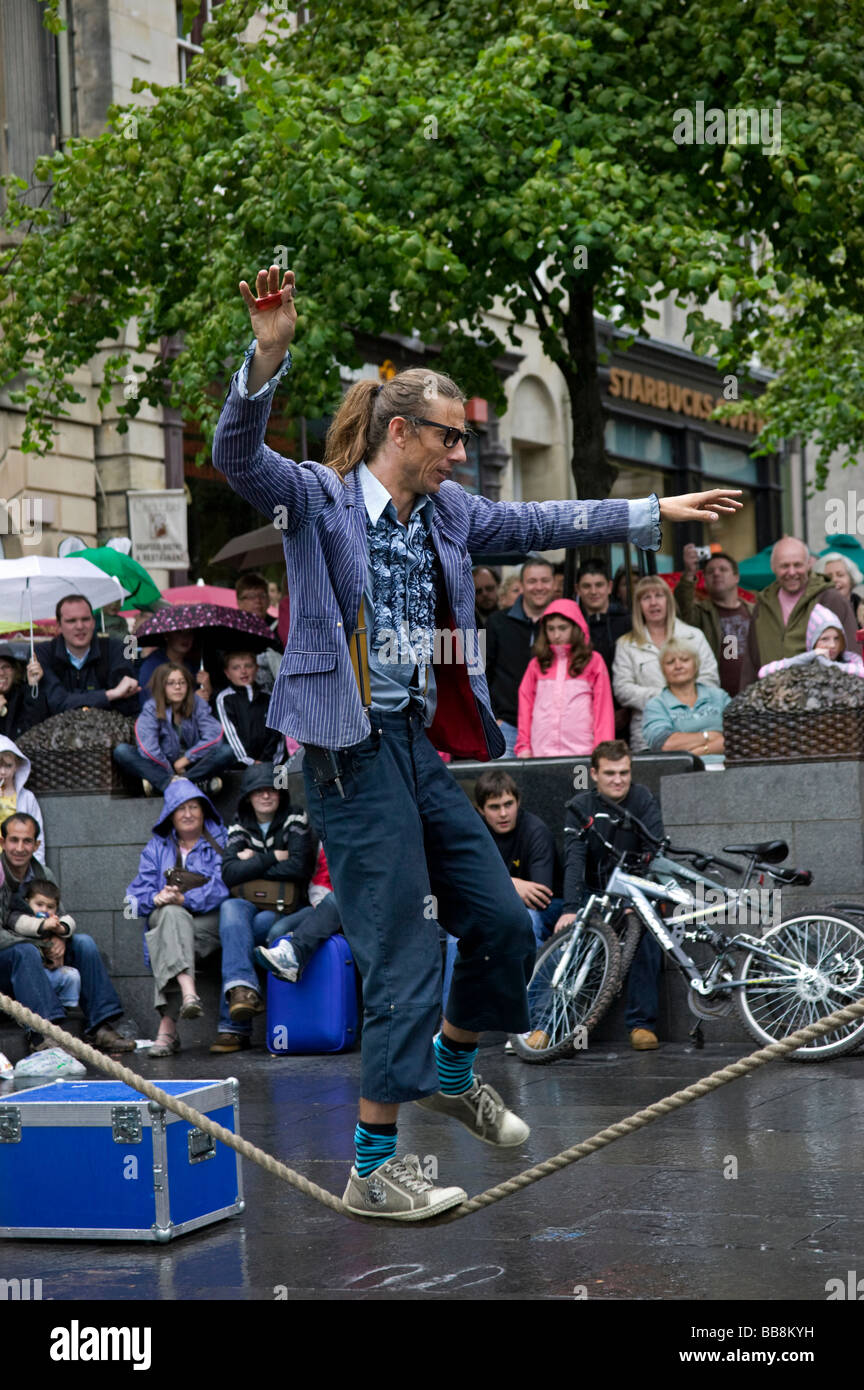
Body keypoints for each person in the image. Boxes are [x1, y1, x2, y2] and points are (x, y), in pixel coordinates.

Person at [212, 260, 741, 1220]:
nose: (462, 454)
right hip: (342, 753)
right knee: (405, 954)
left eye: (467, 438)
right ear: (399, 431)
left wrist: (649, 514)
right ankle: (372, 1166)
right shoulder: (318, 498)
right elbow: (238, 457)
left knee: (500, 923)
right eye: (450, 438)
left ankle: (453, 1068)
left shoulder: (451, 512)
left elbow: (540, 516)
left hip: (414, 746)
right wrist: (270, 353)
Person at [556, 741, 665, 1050]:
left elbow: (654, 853)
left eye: (624, 773)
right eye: (610, 773)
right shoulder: (581, 805)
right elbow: (574, 860)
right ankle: (549, 1024)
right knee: (564, 933)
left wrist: (636, 900)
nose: (618, 780)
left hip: (635, 894)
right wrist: (570, 908)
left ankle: (641, 1026)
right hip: (593, 894)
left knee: (647, 934)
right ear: (594, 774)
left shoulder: (643, 799)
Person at [0, 812, 135, 1052]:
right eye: (14, 840)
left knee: (84, 943)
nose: (20, 848)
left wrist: (59, 936)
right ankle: (43, 1033)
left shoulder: (43, 874)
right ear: (3, 842)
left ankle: (101, 1025)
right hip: (9, 959)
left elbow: (60, 917)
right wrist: (42, 946)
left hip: (38, 950)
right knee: (25, 952)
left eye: (27, 841)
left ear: (37, 844)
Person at [212, 762, 316, 1053]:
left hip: (285, 909)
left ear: (281, 794)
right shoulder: (239, 822)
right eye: (259, 792)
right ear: (248, 796)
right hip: (246, 905)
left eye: (271, 790)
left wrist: (254, 860)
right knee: (231, 910)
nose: (266, 796)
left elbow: (300, 866)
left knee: (243, 932)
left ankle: (233, 1028)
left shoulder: (295, 816)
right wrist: (275, 856)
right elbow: (230, 873)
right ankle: (243, 994)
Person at [124, 779, 229, 1056]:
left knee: (171, 927)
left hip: (211, 923)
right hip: (173, 923)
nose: (188, 814)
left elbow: (226, 884)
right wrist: (155, 898)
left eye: (194, 806)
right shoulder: (156, 848)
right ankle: (188, 993)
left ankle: (168, 1028)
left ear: (204, 811)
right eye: (180, 808)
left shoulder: (221, 839)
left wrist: (187, 899)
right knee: (171, 915)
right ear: (170, 814)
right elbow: (130, 903)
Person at [613, 576, 719, 752]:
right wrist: (666, 698)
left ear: (669, 601)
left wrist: (680, 698)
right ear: (638, 605)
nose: (653, 603)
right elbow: (622, 689)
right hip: (647, 735)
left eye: (659, 595)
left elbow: (710, 679)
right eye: (646, 598)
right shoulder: (625, 644)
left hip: (695, 733)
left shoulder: (694, 636)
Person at [740, 536, 858, 689]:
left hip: (819, 703)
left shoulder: (830, 598)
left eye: (797, 565)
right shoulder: (762, 605)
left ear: (809, 564)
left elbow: (852, 656)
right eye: (784, 566)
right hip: (770, 703)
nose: (792, 572)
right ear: (773, 567)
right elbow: (751, 661)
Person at [473, 768, 562, 949]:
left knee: (527, 919)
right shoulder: (474, 833)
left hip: (547, 908)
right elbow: (462, 884)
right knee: (457, 929)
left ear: (518, 802)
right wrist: (511, 884)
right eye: (494, 807)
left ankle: (529, 978)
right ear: (481, 810)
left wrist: (488, 885)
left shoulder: (536, 831)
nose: (504, 813)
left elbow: (539, 897)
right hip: (495, 904)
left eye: (508, 804)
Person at [114, 663, 235, 796]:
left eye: (182, 683)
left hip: (192, 765)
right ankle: (189, 784)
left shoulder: (197, 703)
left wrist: (186, 759)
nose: (177, 687)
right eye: (171, 683)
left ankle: (164, 785)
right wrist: (170, 772)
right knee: (122, 751)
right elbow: (148, 748)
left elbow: (214, 736)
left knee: (226, 752)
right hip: (161, 766)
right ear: (161, 686)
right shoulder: (151, 708)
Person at [515, 599, 614, 757]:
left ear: (576, 628)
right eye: (550, 629)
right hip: (541, 753)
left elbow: (603, 709)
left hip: (583, 753)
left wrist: (603, 752)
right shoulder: (536, 664)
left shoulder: (593, 661)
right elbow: (525, 707)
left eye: (562, 628)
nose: (556, 635)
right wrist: (523, 746)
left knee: (580, 783)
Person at [485, 557, 558, 756]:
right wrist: (493, 717)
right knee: (501, 786)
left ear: (554, 584)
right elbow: (482, 674)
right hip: (507, 725)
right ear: (522, 585)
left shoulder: (564, 625)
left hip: (553, 727)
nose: (539, 587)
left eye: (545, 581)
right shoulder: (497, 623)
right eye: (532, 581)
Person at [31, 595, 140, 716]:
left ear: (93, 622)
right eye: (71, 621)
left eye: (85, 619)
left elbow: (125, 704)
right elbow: (57, 702)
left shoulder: (117, 648)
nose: (80, 626)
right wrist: (110, 694)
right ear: (59, 626)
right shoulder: (41, 653)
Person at [255, 842, 345, 982]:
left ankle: (294, 954)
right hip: (316, 902)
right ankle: (279, 996)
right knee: (279, 931)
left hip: (349, 905)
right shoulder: (325, 832)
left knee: (339, 898)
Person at [674, 545, 754, 696]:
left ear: (736, 577)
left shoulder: (754, 610)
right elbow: (681, 607)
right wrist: (690, 573)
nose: (716, 573)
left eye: (723, 570)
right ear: (704, 581)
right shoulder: (700, 613)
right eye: (710, 572)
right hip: (716, 697)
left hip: (755, 697)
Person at [642, 640, 731, 766]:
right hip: (681, 772)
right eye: (670, 662)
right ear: (663, 670)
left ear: (695, 665)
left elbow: (736, 738)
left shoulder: (719, 697)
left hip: (727, 768)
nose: (678, 666)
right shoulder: (656, 705)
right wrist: (708, 736)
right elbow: (666, 745)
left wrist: (698, 752)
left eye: (684, 660)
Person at [15, 878, 81, 1010]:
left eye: (50, 907)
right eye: (39, 904)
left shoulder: (54, 920)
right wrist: (43, 925)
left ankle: (66, 1007)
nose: (44, 910)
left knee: (72, 975)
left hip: (51, 972)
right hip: (27, 978)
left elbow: (69, 921)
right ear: (28, 903)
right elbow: (23, 925)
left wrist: (61, 929)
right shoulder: (22, 917)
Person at [757, 602, 864, 679]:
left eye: (837, 638)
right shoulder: (804, 662)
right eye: (825, 639)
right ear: (813, 641)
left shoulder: (852, 660)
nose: (832, 645)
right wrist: (811, 655)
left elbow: (861, 672)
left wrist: (828, 665)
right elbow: (764, 672)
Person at [215, 650, 285, 767]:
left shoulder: (269, 697)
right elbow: (231, 735)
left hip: (270, 763)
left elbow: (277, 733)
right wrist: (250, 762)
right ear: (227, 673)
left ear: (257, 668)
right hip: (240, 764)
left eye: (248, 666)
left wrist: (268, 761)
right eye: (236, 668)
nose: (243, 671)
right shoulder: (224, 699)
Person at [236, 571, 283, 694]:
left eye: (262, 595)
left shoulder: (280, 627)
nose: (258, 601)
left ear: (268, 599)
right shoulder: (232, 632)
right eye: (251, 596)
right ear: (239, 602)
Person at [136, 627, 199, 710]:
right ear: (167, 635)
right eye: (179, 632)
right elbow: (149, 704)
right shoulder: (152, 665)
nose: (185, 637)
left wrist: (207, 689)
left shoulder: (193, 666)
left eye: (190, 632)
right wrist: (195, 700)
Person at [0, 736, 45, 851]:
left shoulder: (27, 798)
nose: (3, 772)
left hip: (17, 858)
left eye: (8, 766)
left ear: (17, 766)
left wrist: (36, 866)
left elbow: (37, 834)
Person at [0, 644, 50, 739]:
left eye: (6, 667)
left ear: (15, 671)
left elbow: (35, 728)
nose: (1, 673)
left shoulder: (23, 695)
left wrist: (33, 686)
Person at [814, 550, 864, 628]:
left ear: (851, 579)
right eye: (828, 577)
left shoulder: (861, 607)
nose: (834, 580)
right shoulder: (814, 612)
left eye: (840, 575)